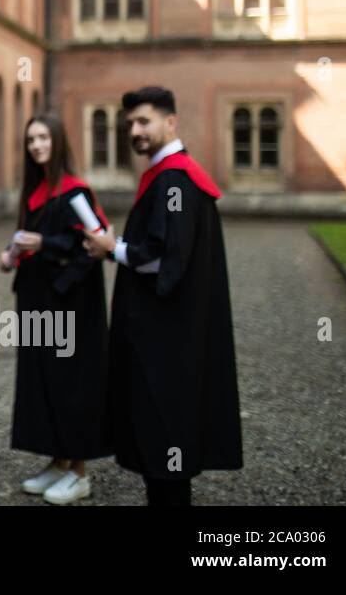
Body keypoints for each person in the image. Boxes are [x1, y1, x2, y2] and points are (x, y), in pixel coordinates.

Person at [83, 86, 242, 506]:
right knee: (164, 430)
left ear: (170, 122)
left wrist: (110, 249)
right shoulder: (169, 175)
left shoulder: (174, 181)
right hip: (171, 329)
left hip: (165, 336)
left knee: (164, 428)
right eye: (130, 123)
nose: (135, 130)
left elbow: (166, 258)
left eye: (144, 121)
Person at [0, 113, 110, 504]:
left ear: (58, 141)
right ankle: (58, 461)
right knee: (44, 380)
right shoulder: (36, 191)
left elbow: (92, 246)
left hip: (72, 302)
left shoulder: (76, 192)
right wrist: (14, 254)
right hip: (38, 299)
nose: (37, 145)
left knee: (71, 384)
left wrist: (45, 245)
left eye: (43, 137)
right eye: (31, 140)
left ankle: (80, 472)